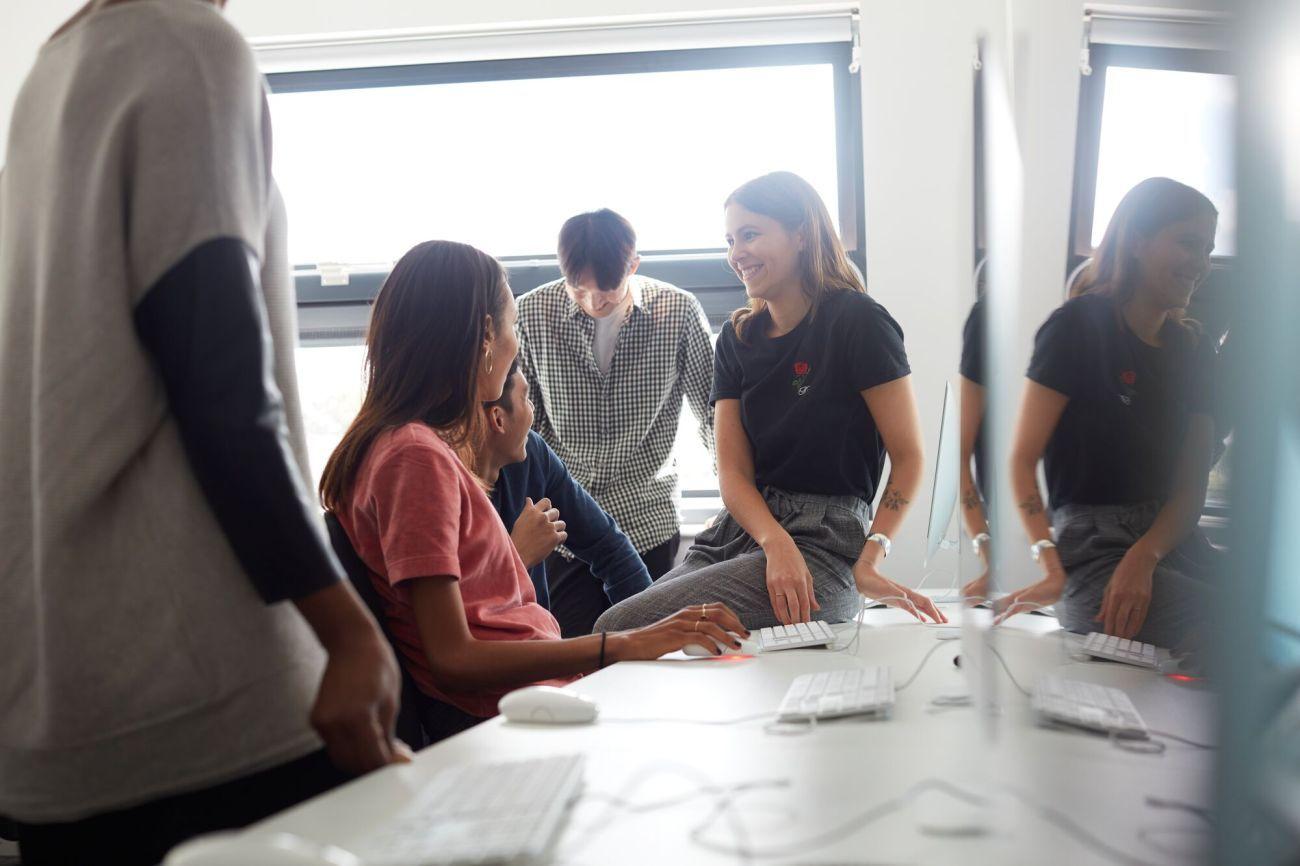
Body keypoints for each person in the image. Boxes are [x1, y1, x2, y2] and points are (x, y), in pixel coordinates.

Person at [0, 2, 402, 864]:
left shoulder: (50, 73)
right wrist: (350, 633)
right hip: (196, 687)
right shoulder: (187, 46)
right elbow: (218, 382)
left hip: (62, 694)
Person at [323, 240, 748, 731]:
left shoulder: (413, 449)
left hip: (536, 693)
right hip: (512, 713)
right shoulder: (413, 456)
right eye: (510, 330)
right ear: (486, 335)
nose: (515, 346)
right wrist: (621, 645)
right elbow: (452, 658)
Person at [595, 172, 945, 632]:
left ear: (801, 234)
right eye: (730, 239)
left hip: (824, 544)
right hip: (741, 533)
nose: (736, 253)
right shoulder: (738, 339)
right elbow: (735, 473)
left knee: (615, 628)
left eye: (751, 234)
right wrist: (775, 543)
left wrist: (871, 560)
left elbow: (909, 457)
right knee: (622, 629)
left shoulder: (859, 322)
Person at [995, 177, 1221, 648]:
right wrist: (1049, 562)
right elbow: (1020, 460)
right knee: (1230, 629)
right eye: (1188, 244)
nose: (1200, 264)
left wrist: (1146, 555)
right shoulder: (1076, 328)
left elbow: (1191, 487)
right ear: (1137, 240)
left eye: (1208, 250)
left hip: (1167, 540)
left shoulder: (1193, 350)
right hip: (1093, 550)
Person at [516, 208, 715, 636]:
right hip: (564, 524)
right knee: (572, 655)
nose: (592, 302)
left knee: (653, 658)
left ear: (633, 266)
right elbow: (523, 430)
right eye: (578, 289)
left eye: (606, 291)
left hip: (647, 516)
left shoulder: (678, 311)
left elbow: (714, 417)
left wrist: (735, 504)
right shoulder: (530, 314)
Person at [476, 360, 653, 616]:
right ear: (498, 419)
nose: (533, 410)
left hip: (539, 643)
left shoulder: (533, 453)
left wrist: (653, 626)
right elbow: (459, 625)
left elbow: (609, 547)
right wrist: (518, 555)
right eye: (526, 398)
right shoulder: (445, 484)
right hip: (500, 652)